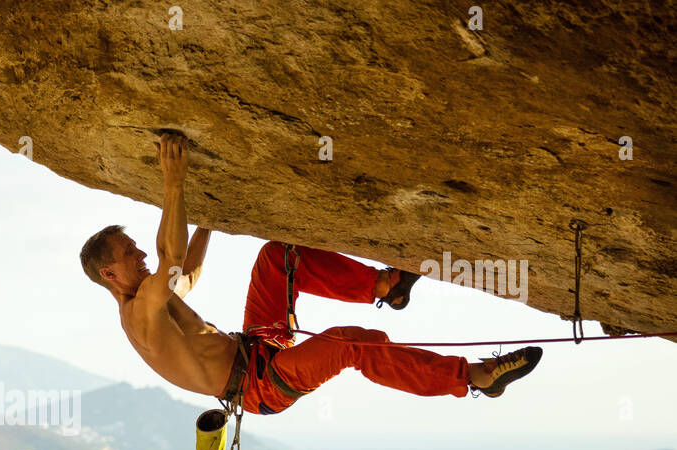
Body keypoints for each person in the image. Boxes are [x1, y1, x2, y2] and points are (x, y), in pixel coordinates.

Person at [78, 132, 542, 416]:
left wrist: (209, 219)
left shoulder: (153, 300)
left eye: (134, 246)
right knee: (352, 344)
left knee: (277, 256)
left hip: (257, 346)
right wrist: (173, 182)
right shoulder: (139, 313)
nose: (138, 253)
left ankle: (386, 286)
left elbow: (186, 275)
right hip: (263, 385)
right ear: (108, 272)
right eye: (127, 252)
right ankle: (473, 377)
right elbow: (170, 259)